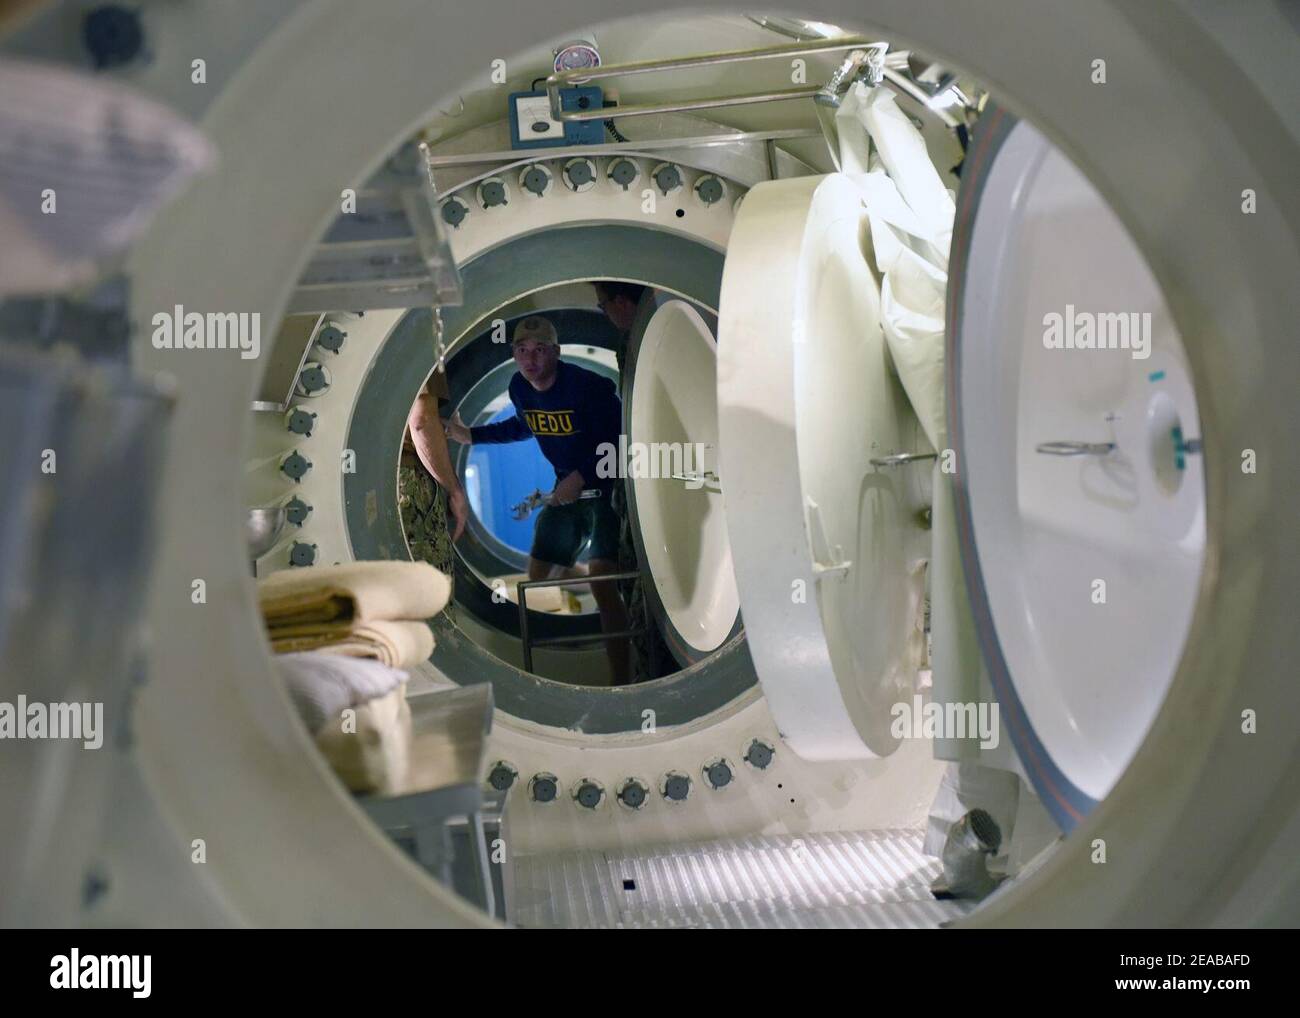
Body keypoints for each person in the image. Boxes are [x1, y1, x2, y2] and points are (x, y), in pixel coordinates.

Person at [445, 316, 632, 685]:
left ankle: (623, 679)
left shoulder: (589, 387)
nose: (530, 359)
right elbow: (525, 425)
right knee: (537, 572)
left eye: (540, 350)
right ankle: (596, 580)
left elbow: (617, 439)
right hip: (566, 487)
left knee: (603, 583)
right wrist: (471, 436)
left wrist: (581, 476)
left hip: (607, 486)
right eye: (521, 351)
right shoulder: (520, 387)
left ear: (556, 353)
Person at [403, 369, 468, 587]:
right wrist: (455, 490)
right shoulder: (420, 341)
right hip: (410, 481)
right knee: (430, 590)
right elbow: (422, 421)